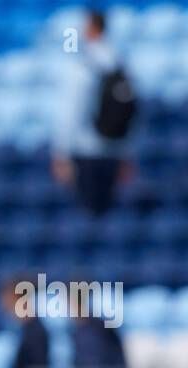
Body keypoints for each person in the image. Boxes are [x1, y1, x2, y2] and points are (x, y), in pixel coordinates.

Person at [51, 9, 136, 215]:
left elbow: (71, 111)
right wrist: (128, 151)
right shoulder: (121, 64)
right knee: (111, 214)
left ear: (90, 28)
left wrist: (61, 152)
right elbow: (133, 111)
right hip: (115, 150)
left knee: (89, 213)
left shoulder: (82, 66)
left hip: (87, 151)